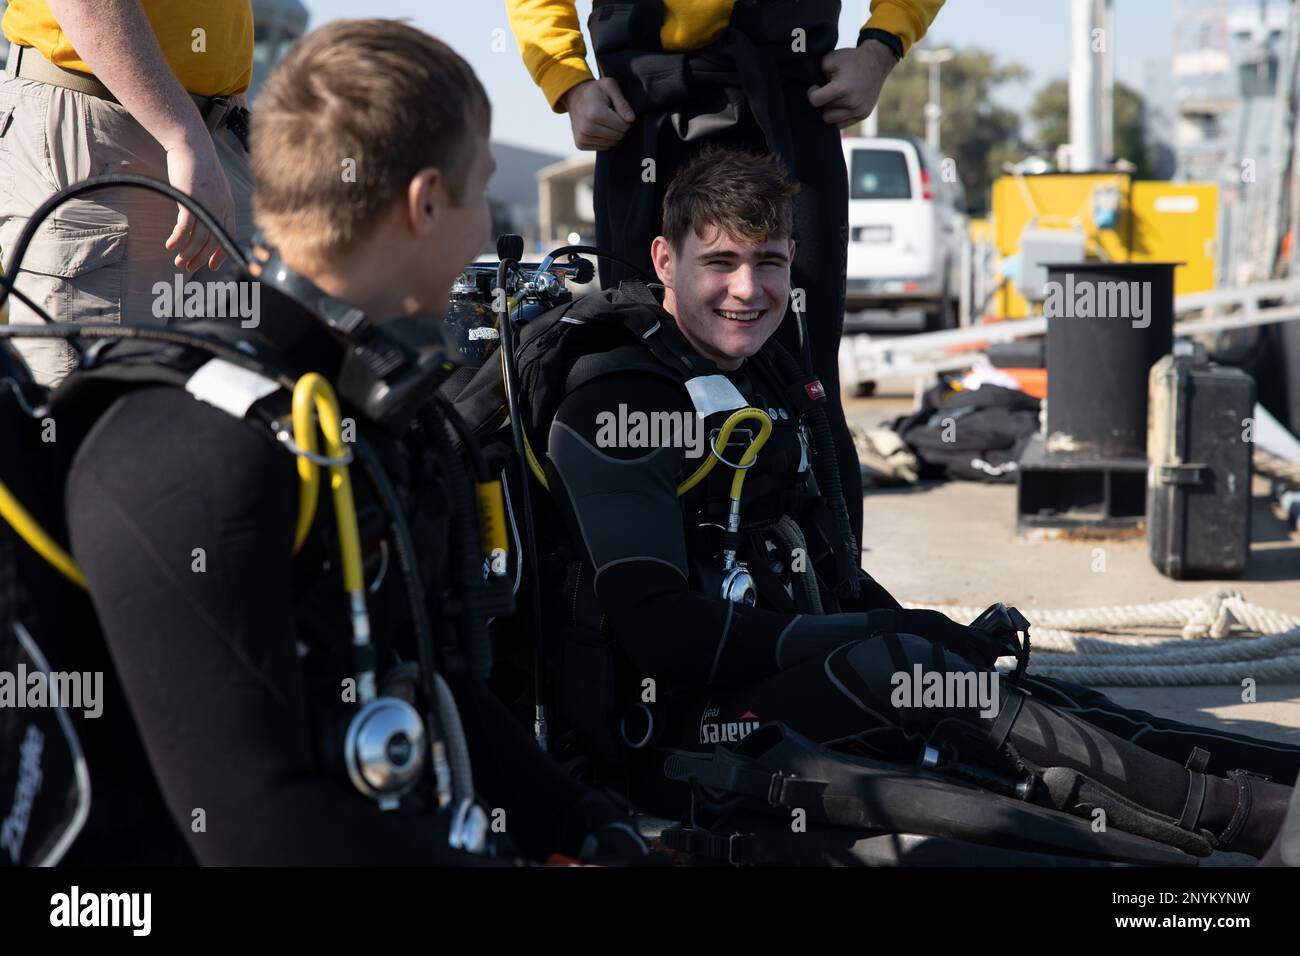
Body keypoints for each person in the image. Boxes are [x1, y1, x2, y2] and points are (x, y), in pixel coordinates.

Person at [481, 146, 1298, 860]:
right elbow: (660, 633)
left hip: (762, 677)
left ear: (795, 260)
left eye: (768, 262)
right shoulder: (615, 401)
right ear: (664, 260)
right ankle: (1243, 822)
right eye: (720, 262)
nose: (747, 289)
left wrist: (907, 628)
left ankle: (1268, 782)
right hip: (671, 735)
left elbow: (815, 564)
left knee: (1016, 688)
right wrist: (884, 634)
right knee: (917, 672)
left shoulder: (754, 375)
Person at [39, 18, 642, 865]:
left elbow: (430, 676)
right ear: (425, 203)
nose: (483, 238)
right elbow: (251, 826)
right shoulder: (198, 446)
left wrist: (583, 822)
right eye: (482, 200)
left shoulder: (359, 409)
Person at [506, 0, 947, 557]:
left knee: (802, 375)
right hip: (636, 111)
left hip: (788, 96)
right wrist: (567, 80)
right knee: (635, 364)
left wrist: (881, 46)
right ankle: (651, 595)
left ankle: (830, 595)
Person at [0, 0, 254, 385]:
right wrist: (183, 136)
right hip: (103, 118)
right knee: (90, 407)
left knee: (214, 410)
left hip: (209, 140)